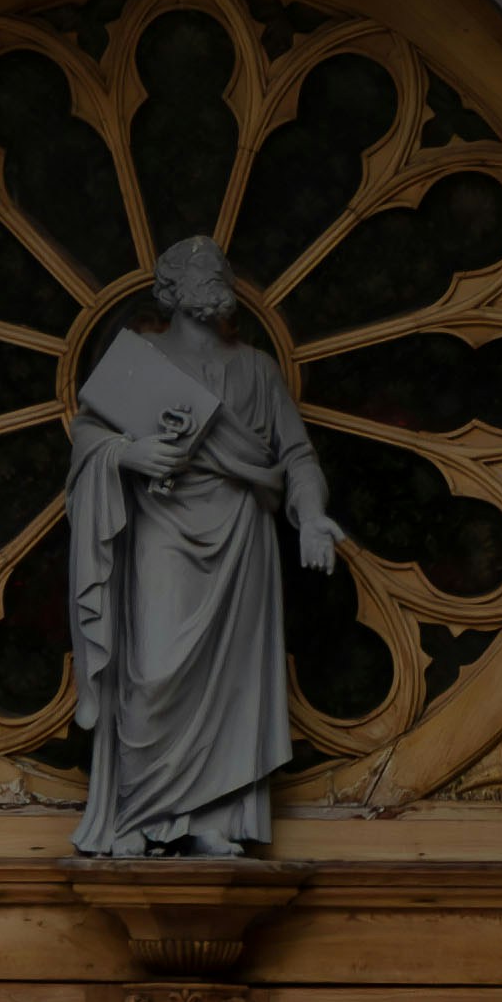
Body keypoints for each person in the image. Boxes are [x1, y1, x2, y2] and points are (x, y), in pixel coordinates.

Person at [63, 236, 337, 860]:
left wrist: (314, 517)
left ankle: (214, 815)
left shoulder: (259, 370)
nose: (219, 282)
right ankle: (138, 810)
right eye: (204, 273)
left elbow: (296, 457)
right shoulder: (140, 358)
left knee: (233, 685)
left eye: (223, 273)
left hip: (242, 532)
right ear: (171, 290)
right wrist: (128, 453)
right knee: (153, 668)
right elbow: (86, 436)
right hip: (161, 528)